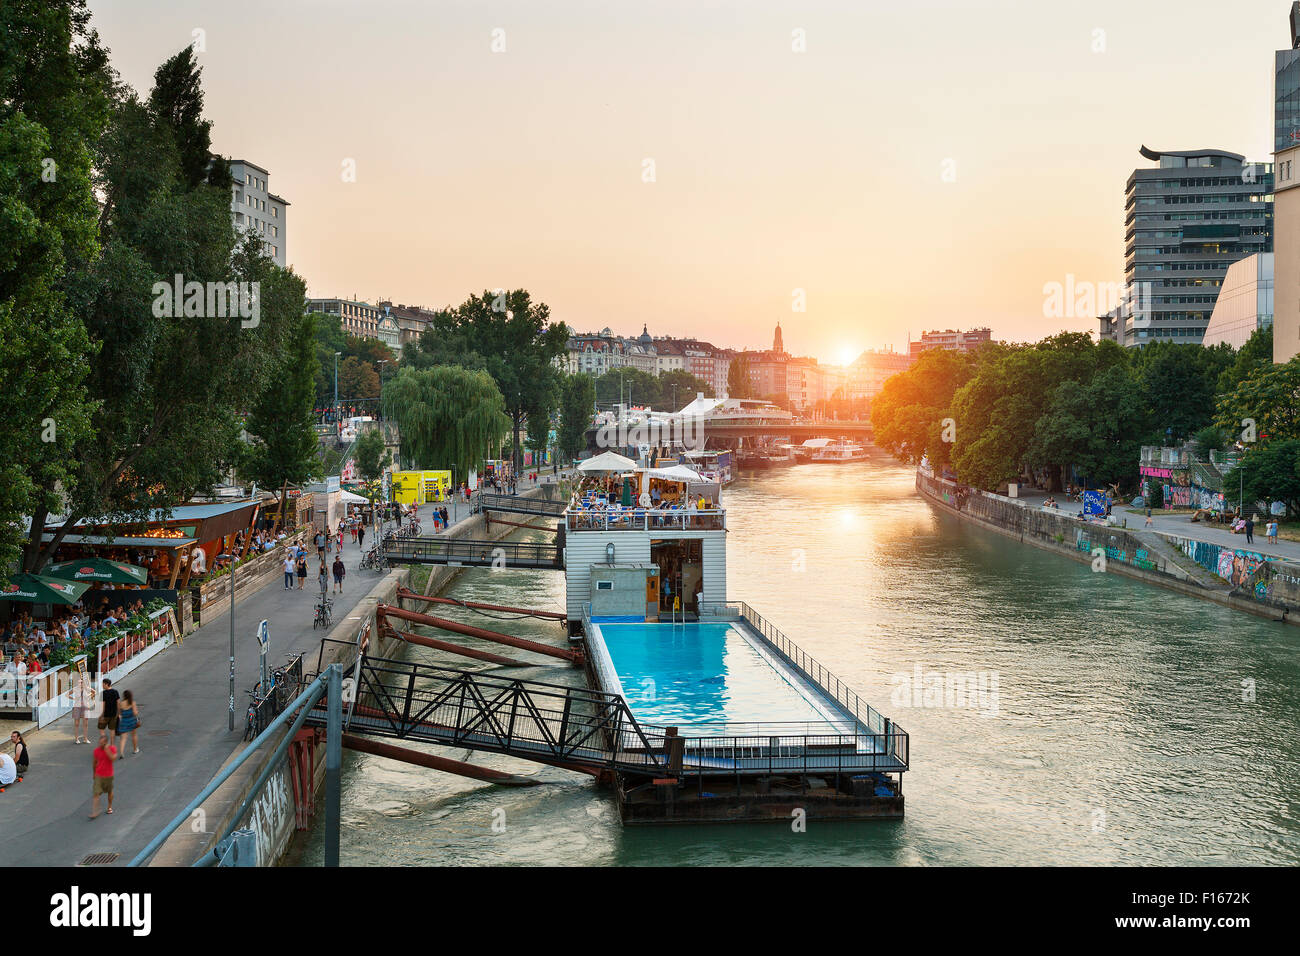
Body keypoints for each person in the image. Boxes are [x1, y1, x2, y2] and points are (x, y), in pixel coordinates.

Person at [89, 734, 116, 818]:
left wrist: (106, 750)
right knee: (96, 793)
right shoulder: (96, 751)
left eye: (102, 743)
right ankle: (95, 812)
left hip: (108, 775)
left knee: (110, 791)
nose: (100, 744)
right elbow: (94, 763)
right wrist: (94, 773)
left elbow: (113, 758)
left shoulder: (112, 748)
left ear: (106, 743)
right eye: (99, 743)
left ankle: (109, 806)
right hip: (99, 775)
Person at [97, 678, 120, 750]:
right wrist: (119, 713)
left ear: (106, 684)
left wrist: (101, 715)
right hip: (114, 714)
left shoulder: (103, 693)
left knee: (101, 728)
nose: (102, 685)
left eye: (103, 684)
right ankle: (112, 746)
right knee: (112, 730)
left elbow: (103, 705)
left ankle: (105, 745)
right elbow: (118, 703)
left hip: (106, 715)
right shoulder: (115, 692)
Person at [117, 690, 140, 756]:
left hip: (124, 721)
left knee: (123, 738)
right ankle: (135, 749)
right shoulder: (132, 703)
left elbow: (119, 713)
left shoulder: (121, 703)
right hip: (132, 721)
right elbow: (135, 713)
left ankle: (121, 752)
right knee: (134, 735)